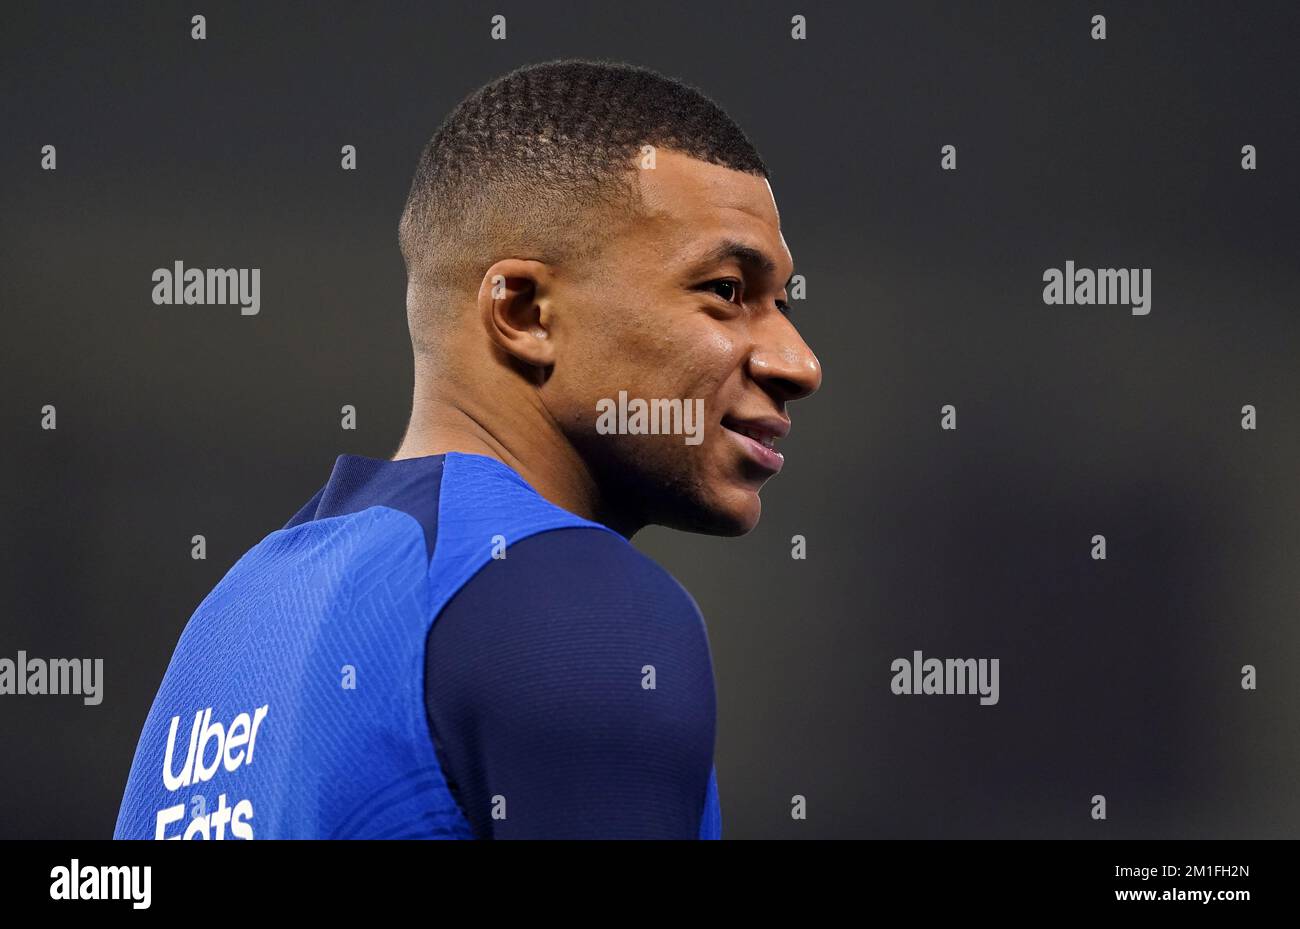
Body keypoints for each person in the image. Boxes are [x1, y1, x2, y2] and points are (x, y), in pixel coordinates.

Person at [113, 58, 822, 840]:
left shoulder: (231, 621)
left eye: (782, 303)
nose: (799, 363)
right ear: (523, 311)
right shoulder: (575, 603)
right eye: (726, 291)